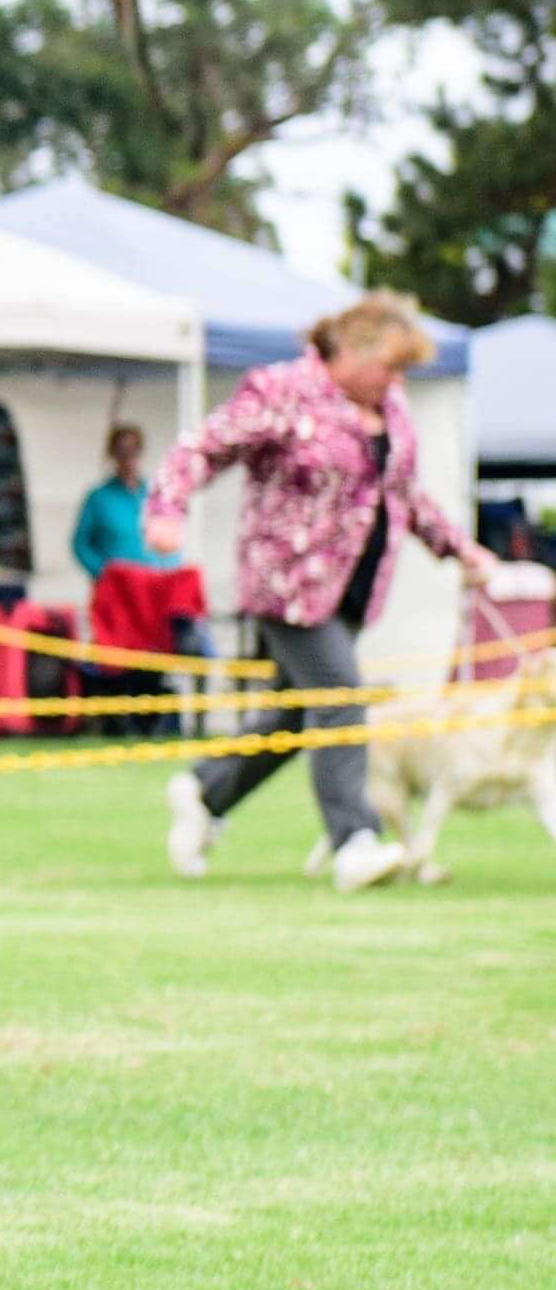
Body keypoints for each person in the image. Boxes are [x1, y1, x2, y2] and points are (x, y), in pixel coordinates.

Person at [151, 293, 491, 892]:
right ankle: (355, 842)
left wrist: (461, 551)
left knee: (294, 714)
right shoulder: (284, 390)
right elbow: (202, 446)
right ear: (352, 351)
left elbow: (405, 496)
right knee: (341, 697)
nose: (396, 381)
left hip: (353, 592)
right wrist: (167, 509)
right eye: (390, 366)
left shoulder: (390, 408)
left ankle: (204, 793)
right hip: (289, 586)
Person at [71, 424, 152, 580]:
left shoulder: (153, 494)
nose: (128, 460)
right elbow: (80, 544)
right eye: (122, 453)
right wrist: (102, 572)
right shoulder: (98, 498)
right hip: (114, 585)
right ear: (113, 455)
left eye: (133, 451)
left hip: (148, 582)